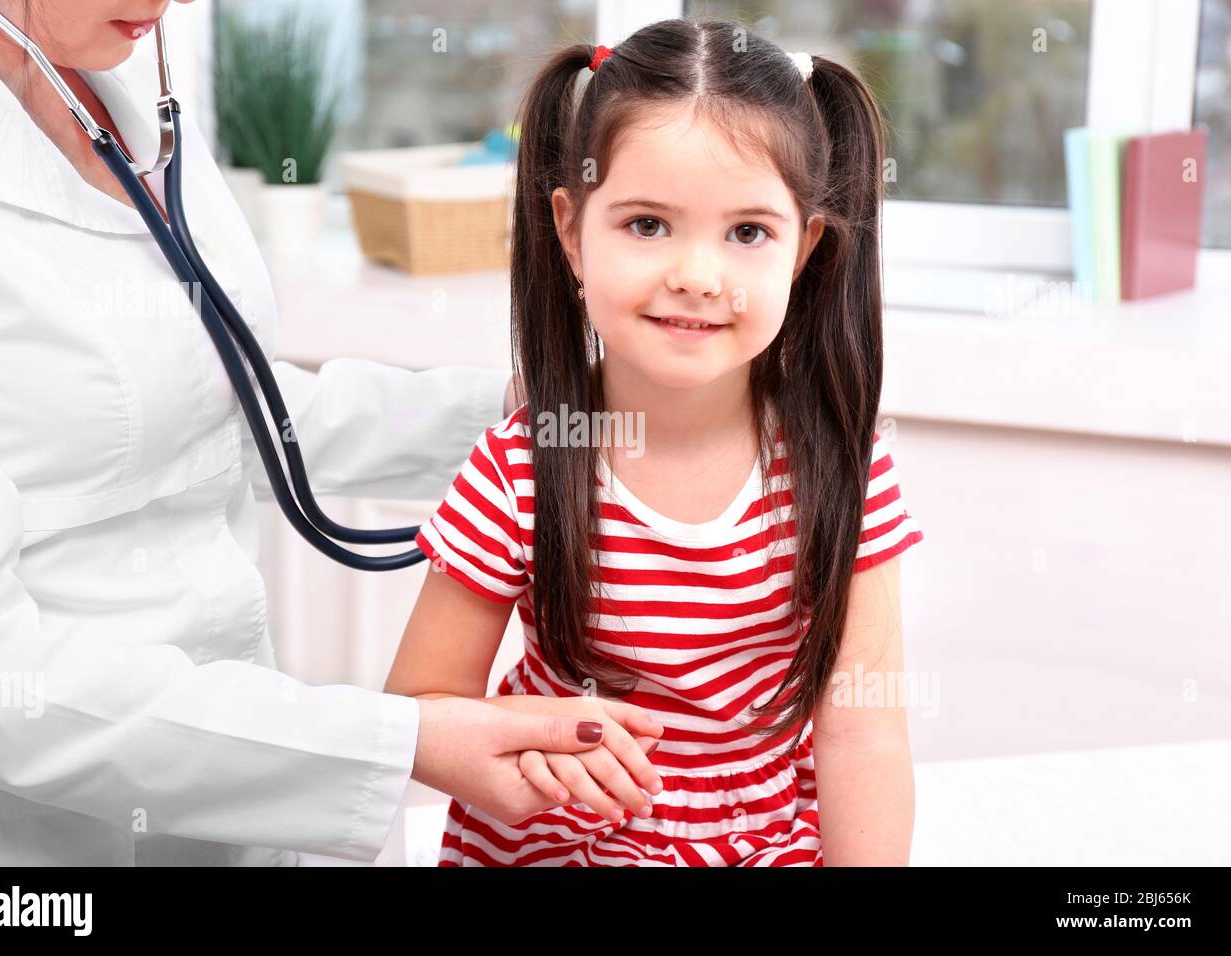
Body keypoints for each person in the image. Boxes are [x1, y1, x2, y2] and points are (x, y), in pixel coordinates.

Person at [0, 0, 664, 866]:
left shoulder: (114, 83)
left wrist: (548, 410)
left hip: (228, 775)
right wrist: (402, 743)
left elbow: (225, 404)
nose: (163, 6)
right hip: (37, 837)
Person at [387, 19, 925, 866]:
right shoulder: (519, 470)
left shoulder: (848, 470)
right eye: (646, 224)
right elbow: (416, 708)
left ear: (803, 249)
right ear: (571, 231)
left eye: (747, 232)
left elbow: (863, 733)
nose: (697, 275)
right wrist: (527, 731)